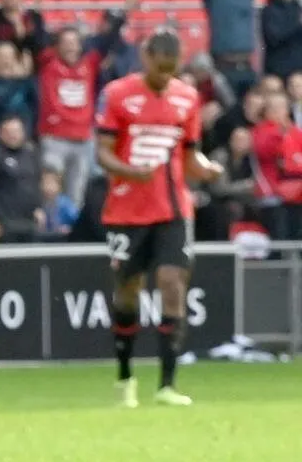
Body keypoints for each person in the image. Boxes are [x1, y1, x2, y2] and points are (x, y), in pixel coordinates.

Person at [96, 28, 223, 409]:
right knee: (128, 291)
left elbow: (189, 157)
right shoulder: (118, 94)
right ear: (145, 56)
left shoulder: (187, 99)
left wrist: (207, 169)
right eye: (159, 69)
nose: (165, 77)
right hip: (126, 209)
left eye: (171, 71)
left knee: (172, 283)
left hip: (172, 207)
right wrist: (131, 172)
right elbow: (102, 153)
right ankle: (125, 376)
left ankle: (167, 385)